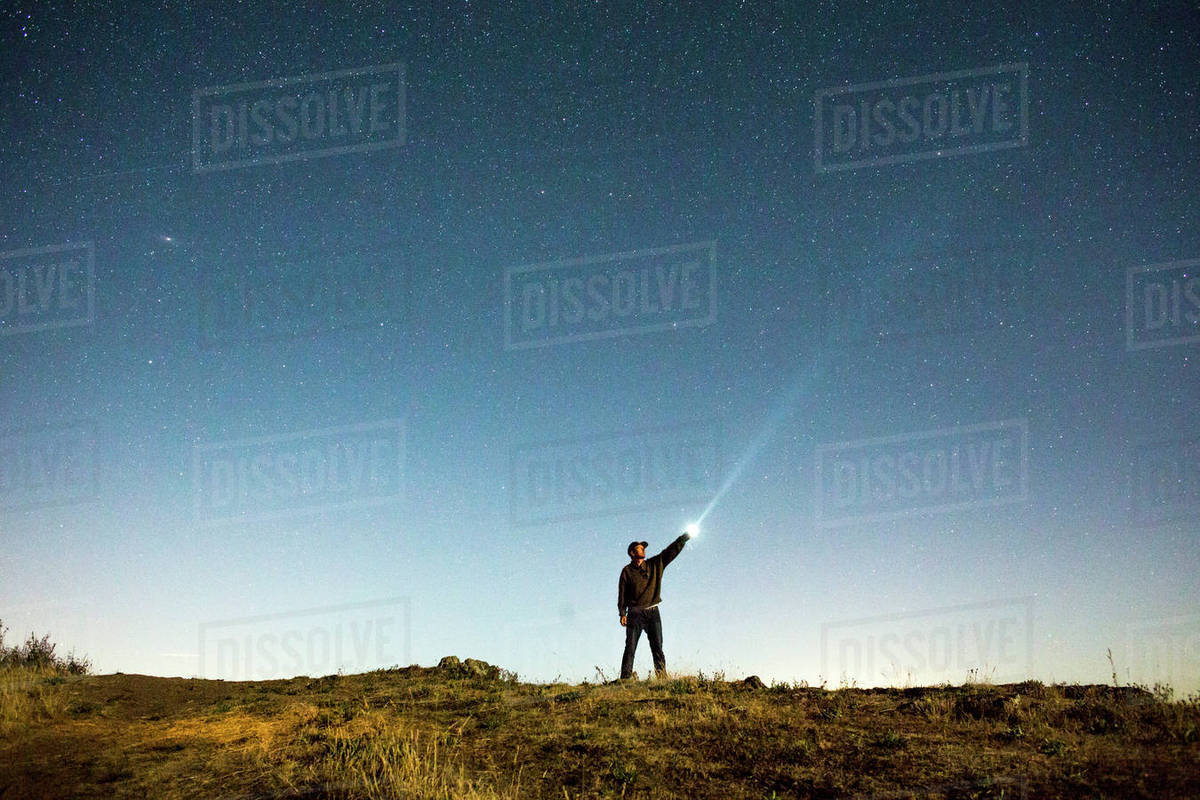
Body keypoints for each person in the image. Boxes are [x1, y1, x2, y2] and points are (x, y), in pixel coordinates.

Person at [617, 530, 691, 680]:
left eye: (643, 547)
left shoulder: (654, 564)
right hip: (635, 613)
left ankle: (662, 678)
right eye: (639, 547)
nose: (643, 549)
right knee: (630, 648)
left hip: (653, 612)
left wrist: (683, 539)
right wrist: (622, 613)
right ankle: (625, 679)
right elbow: (622, 594)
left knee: (657, 647)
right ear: (632, 553)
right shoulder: (627, 571)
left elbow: (669, 552)